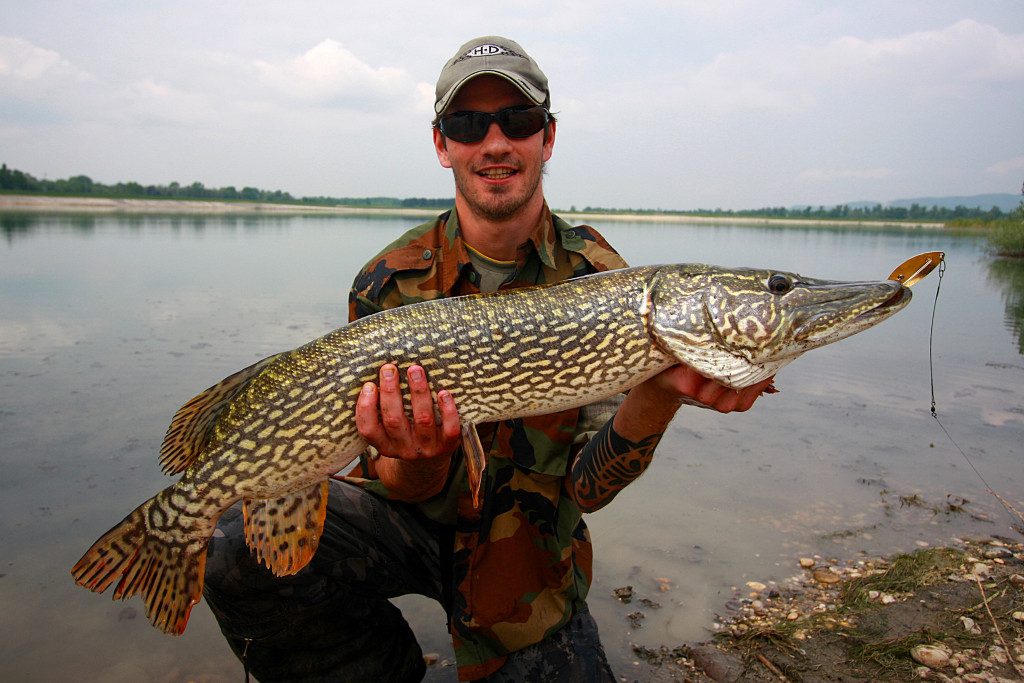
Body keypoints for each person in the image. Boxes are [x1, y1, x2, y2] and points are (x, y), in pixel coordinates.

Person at [203, 36, 772, 683]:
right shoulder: (388, 280)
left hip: (527, 556)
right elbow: (392, 478)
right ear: (443, 143)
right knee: (230, 543)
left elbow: (589, 487)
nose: (496, 141)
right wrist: (421, 455)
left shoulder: (603, 280)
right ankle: (378, 667)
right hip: (404, 524)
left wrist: (658, 394)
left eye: (518, 120)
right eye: (469, 123)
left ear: (547, 137)